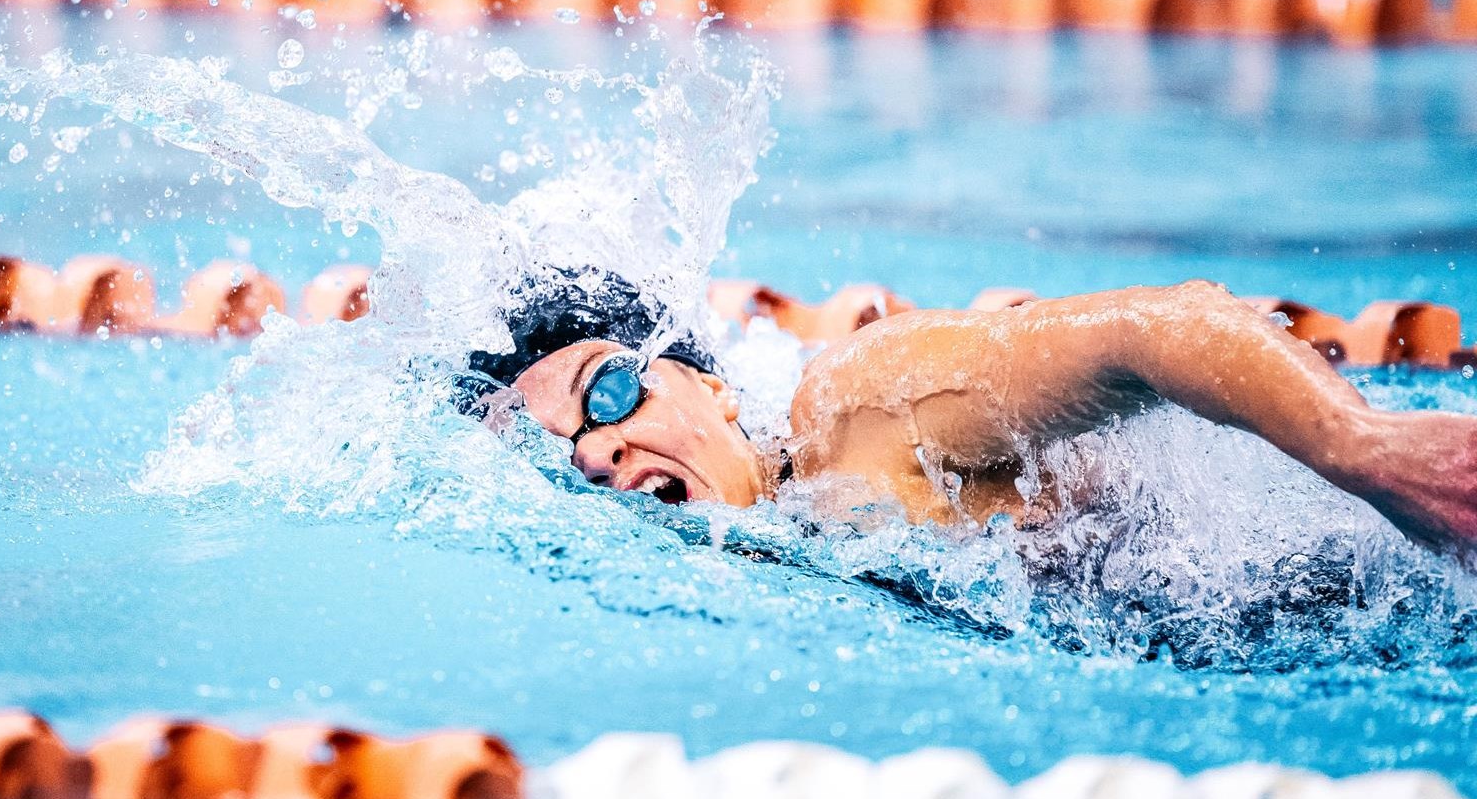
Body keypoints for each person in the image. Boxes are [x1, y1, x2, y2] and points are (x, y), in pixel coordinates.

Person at [460, 270, 1477, 550]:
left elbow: (1158, 326)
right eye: (559, 456)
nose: (594, 454)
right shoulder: (777, 545)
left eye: (603, 390)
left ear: (707, 384)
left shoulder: (857, 412)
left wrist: (1368, 447)